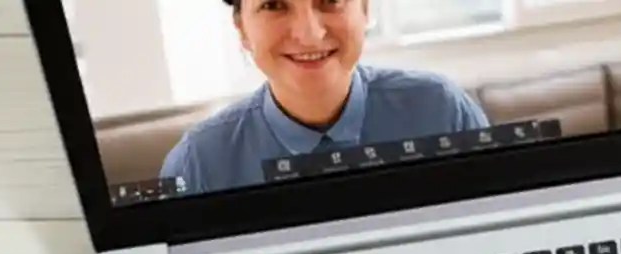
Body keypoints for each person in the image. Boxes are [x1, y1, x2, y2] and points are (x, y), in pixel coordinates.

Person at [161, 0, 491, 195]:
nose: (309, 34)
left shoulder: (443, 113)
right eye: (274, 4)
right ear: (242, 30)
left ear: (364, 9)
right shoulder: (197, 166)